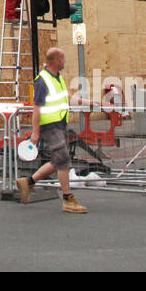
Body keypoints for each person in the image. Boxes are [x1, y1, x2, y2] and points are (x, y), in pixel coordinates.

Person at [15, 47, 96, 214]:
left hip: (58, 124)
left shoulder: (57, 78)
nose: (65, 62)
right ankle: (68, 198)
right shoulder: (42, 80)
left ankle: (28, 182)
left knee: (59, 160)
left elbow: (67, 97)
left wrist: (90, 103)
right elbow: (36, 108)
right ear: (57, 61)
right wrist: (35, 133)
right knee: (63, 159)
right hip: (50, 126)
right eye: (63, 59)